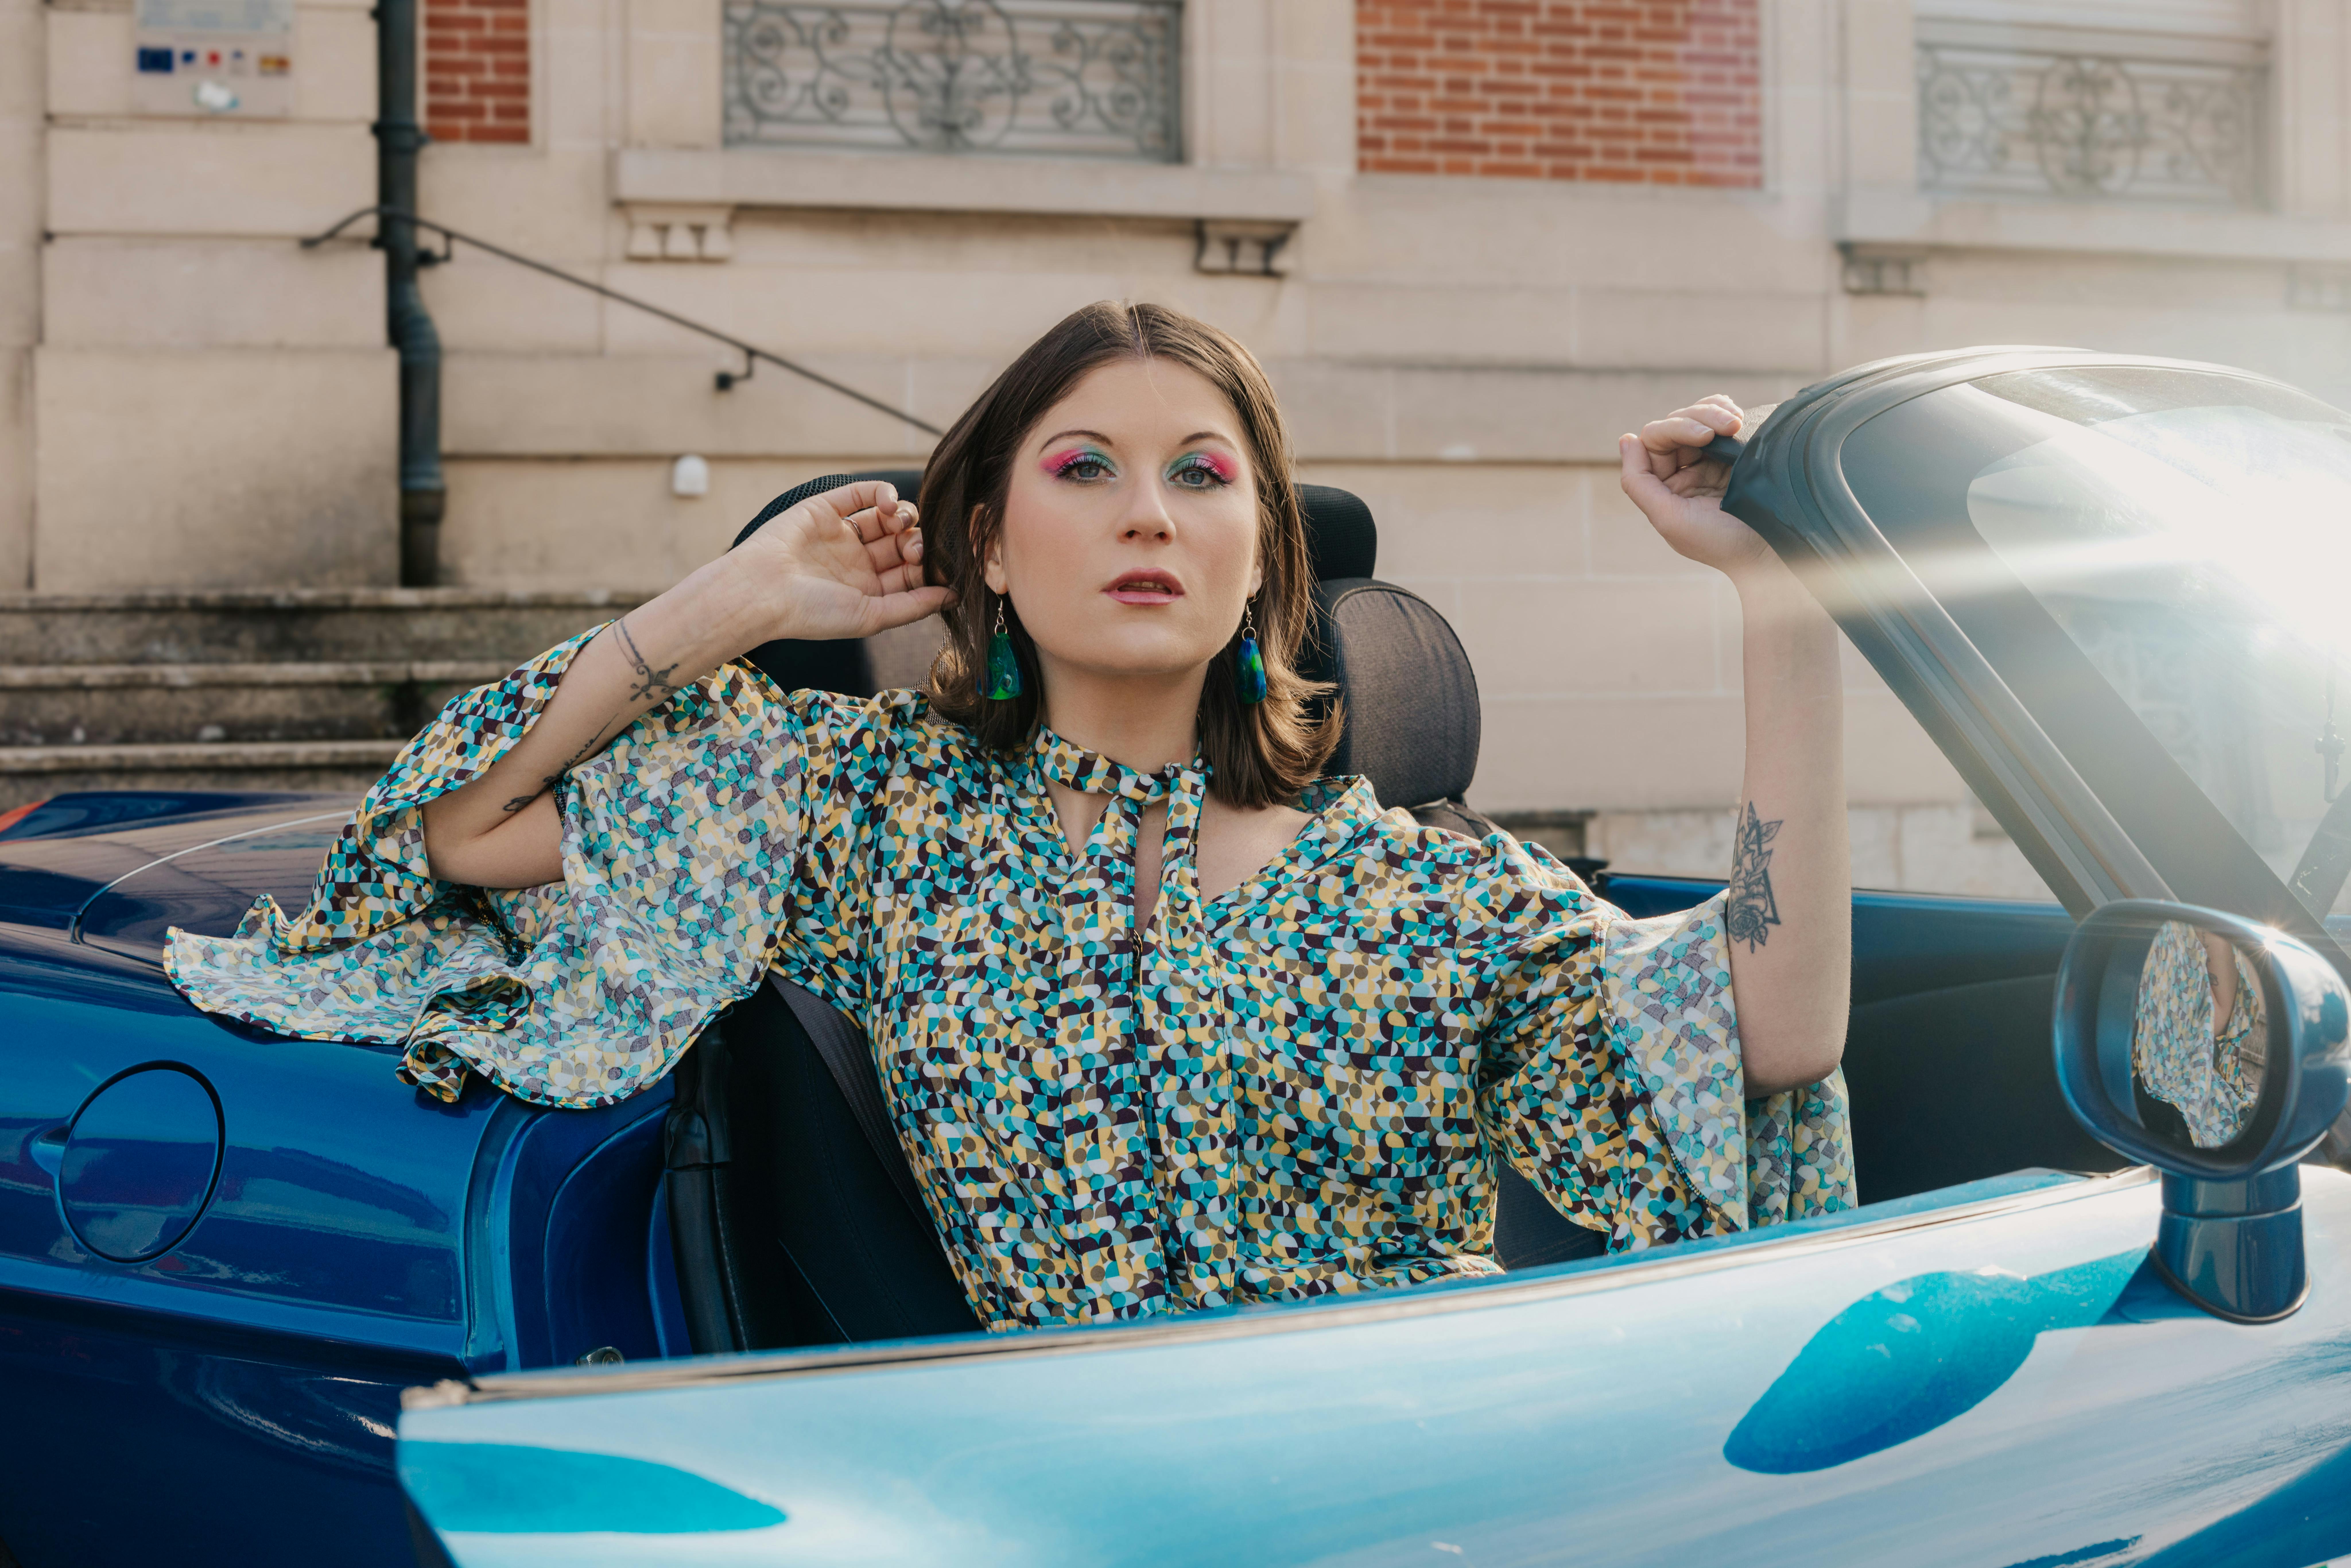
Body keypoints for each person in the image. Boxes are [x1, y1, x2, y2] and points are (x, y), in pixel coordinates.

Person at [167, 301, 1854, 1333]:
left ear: (1263, 552)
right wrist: (742, 598)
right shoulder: (870, 819)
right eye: (1081, 467)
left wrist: (1781, 591)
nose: (1146, 510)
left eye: (1203, 474)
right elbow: (464, 828)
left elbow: (1773, 1029)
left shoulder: (1432, 891)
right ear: (984, 539)